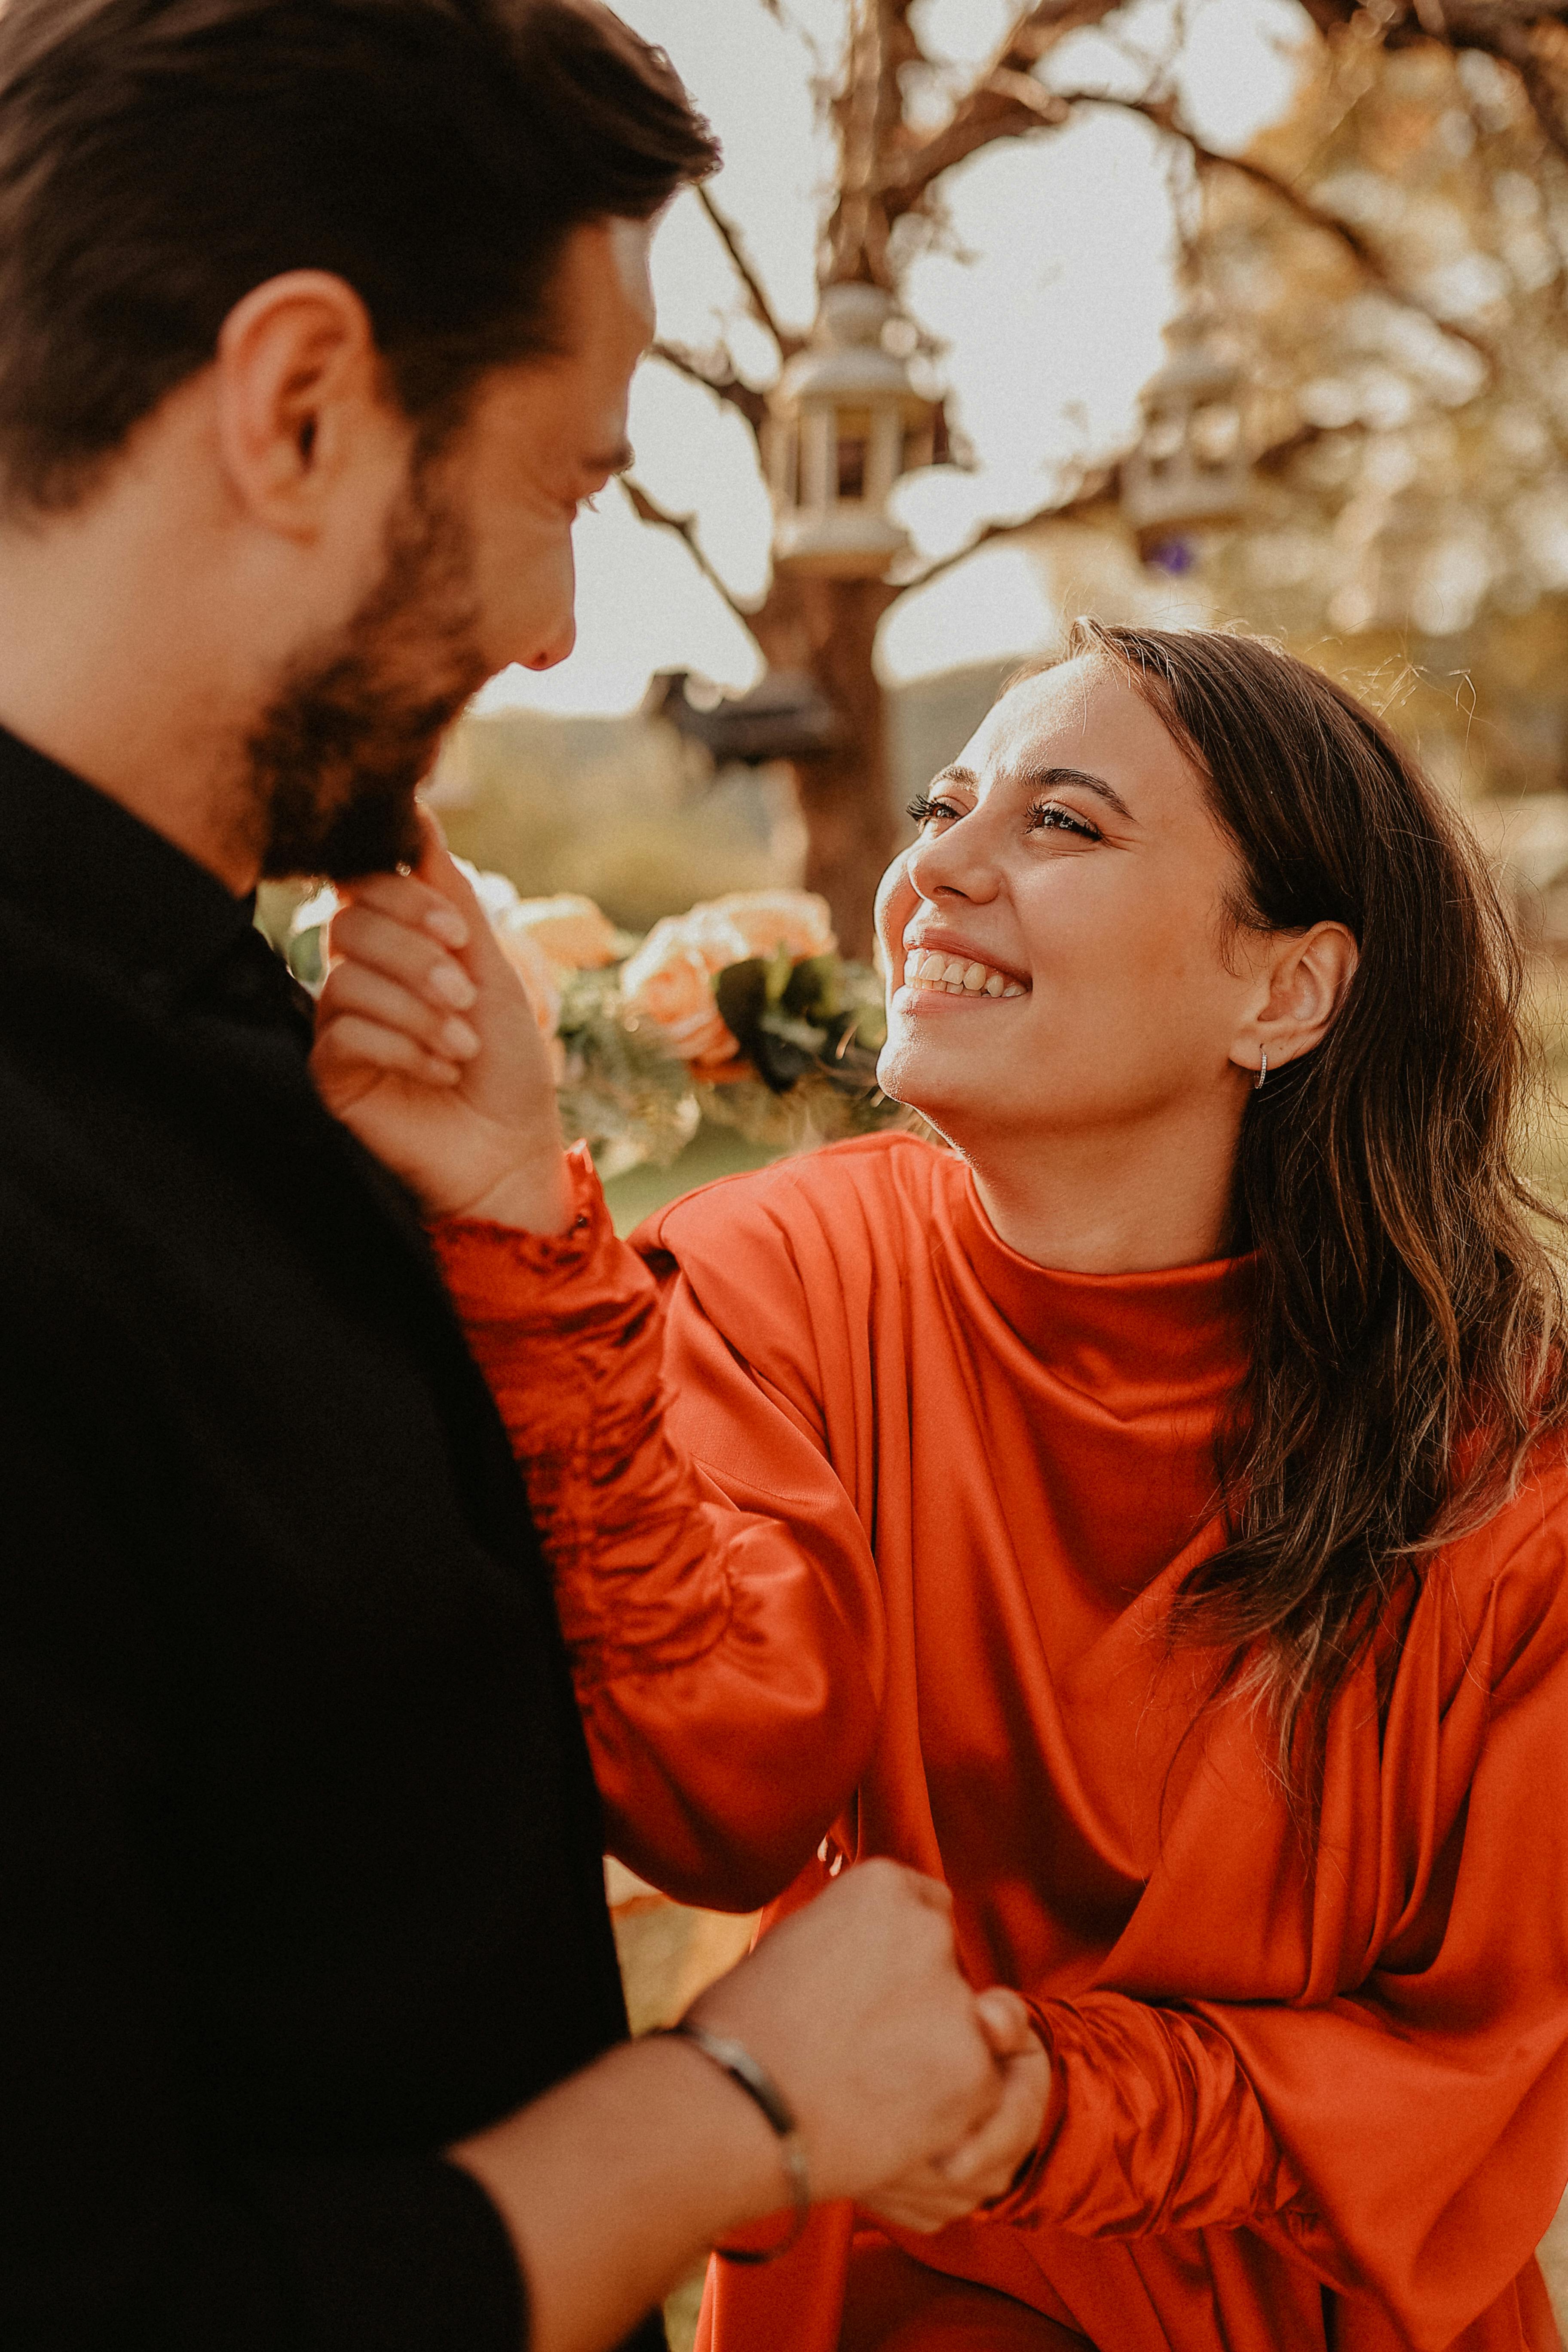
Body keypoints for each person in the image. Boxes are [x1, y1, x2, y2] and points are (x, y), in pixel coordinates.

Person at [0, 3, 1053, 2348]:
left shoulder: (245, 1056)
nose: (560, 631)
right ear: (301, 406)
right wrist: (746, 2116)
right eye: (566, 487)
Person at [315, 624, 1568, 2352]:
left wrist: (1048, 2100)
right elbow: (720, 1789)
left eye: (1061, 825)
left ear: (1285, 990)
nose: (932, 874)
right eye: (947, 803)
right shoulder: (788, 1272)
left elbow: (1479, 2065)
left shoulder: (1516, 1456)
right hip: (903, 2293)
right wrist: (518, 1209)